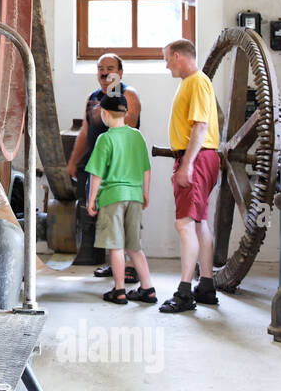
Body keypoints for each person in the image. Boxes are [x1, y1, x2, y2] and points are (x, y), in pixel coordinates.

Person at [158, 39, 221, 313]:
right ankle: (205, 285)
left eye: (167, 59)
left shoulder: (197, 81)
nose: (167, 65)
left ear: (177, 55)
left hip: (196, 157)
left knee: (184, 224)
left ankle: (184, 292)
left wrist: (187, 164)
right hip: (201, 157)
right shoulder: (192, 82)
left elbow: (201, 125)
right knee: (198, 224)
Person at [67, 53, 142, 272]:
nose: (104, 72)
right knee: (107, 217)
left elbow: (127, 124)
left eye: (110, 68)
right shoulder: (93, 97)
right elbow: (85, 132)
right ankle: (113, 263)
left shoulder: (128, 94)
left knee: (124, 217)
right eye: (100, 68)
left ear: (120, 72)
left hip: (122, 170)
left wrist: (110, 99)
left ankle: (129, 268)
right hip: (99, 167)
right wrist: (73, 162)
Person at [85, 94, 156, 303]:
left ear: (105, 114)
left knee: (116, 246)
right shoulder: (137, 136)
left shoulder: (105, 139)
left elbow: (96, 174)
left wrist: (91, 200)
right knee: (134, 246)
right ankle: (148, 288)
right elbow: (146, 170)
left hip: (112, 197)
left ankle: (119, 290)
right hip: (134, 196)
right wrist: (145, 193)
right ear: (125, 113)